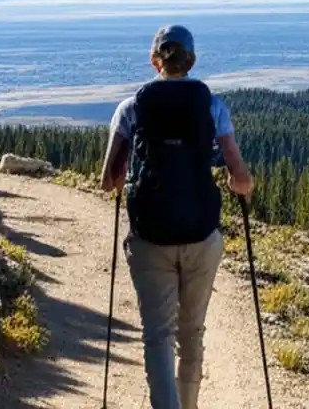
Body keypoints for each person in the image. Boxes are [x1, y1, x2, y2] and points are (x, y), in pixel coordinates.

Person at [100, 24, 254, 409]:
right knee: (192, 332)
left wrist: (131, 175)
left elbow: (109, 181)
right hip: (202, 236)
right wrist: (235, 184)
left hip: (150, 238)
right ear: (192, 61)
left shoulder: (131, 108)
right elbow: (241, 179)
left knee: (158, 336)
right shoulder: (211, 106)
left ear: (155, 61)